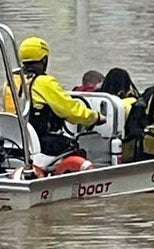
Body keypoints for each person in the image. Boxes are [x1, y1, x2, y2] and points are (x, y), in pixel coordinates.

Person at [16, 37, 102, 173]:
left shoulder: (15, 81)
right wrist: (95, 117)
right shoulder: (44, 82)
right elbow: (70, 110)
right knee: (74, 147)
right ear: (44, 59)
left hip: (20, 140)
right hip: (42, 140)